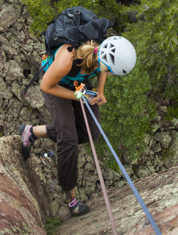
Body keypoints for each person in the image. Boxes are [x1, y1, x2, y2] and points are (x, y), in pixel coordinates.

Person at [19, 36, 137, 217]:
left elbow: (102, 69)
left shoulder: (100, 55)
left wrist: (100, 91)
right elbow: (46, 86)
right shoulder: (66, 61)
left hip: (77, 81)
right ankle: (71, 199)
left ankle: (33, 132)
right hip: (54, 81)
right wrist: (78, 97)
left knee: (92, 133)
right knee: (68, 139)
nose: (110, 74)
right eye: (112, 72)